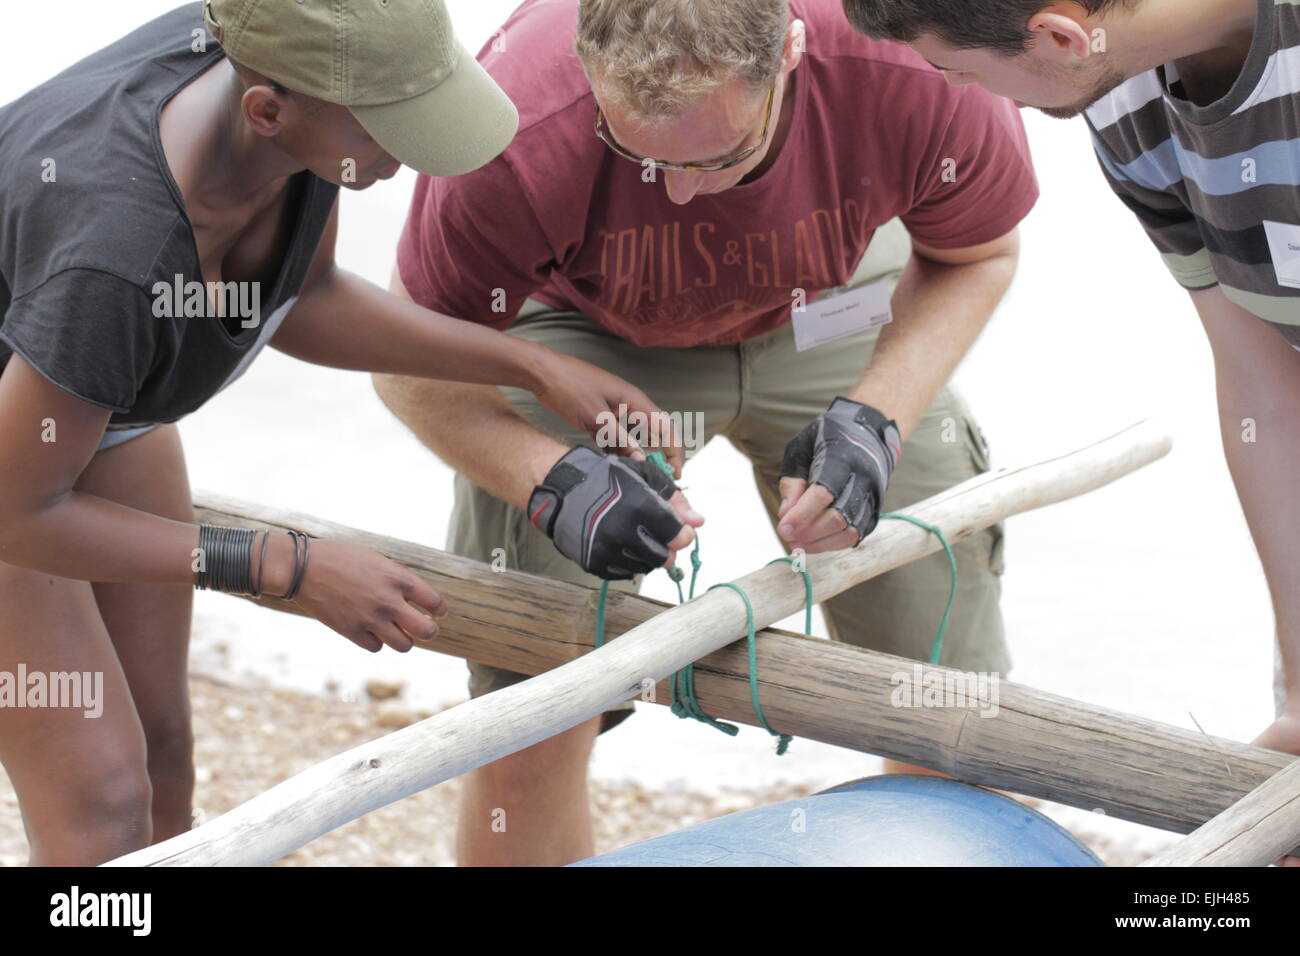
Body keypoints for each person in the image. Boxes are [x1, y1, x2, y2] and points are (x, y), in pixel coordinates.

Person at [0, 0, 667, 866]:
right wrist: (286, 567)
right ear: (268, 111)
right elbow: (17, 512)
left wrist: (532, 367)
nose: (410, 154)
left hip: (92, 402)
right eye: (392, 132)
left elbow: (299, 297)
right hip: (17, 469)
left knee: (165, 762)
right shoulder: (118, 252)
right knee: (104, 804)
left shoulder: (285, 79)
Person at [374, 0, 1039, 866]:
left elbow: (979, 254)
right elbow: (405, 362)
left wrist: (878, 419)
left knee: (951, 704)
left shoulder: (914, 61)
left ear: (791, 53)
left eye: (719, 156)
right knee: (529, 714)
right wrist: (551, 479)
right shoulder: (512, 123)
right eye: (635, 154)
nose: (678, 192)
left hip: (830, 312)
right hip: (587, 333)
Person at [841, 0, 1300, 864]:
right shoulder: (1122, 101)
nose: (985, 104)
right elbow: (1266, 389)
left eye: (963, 74)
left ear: (1055, 36)